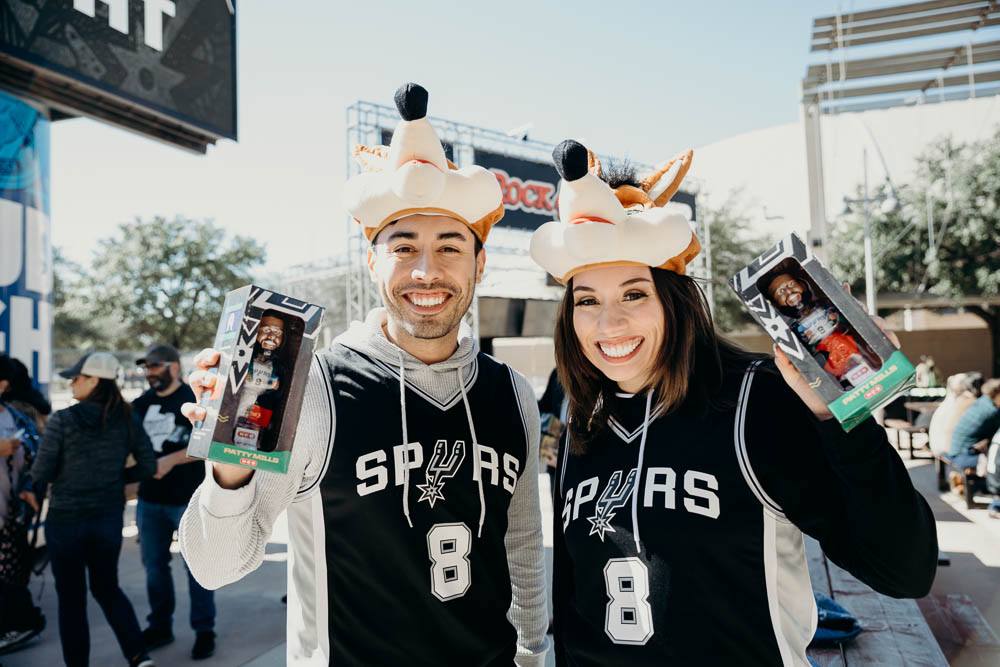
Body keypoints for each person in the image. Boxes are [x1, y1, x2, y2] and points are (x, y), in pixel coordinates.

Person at [179, 83, 549, 666]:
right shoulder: (312, 388)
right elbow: (217, 567)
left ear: (480, 262)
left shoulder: (511, 391)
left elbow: (522, 543)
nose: (427, 272)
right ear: (373, 260)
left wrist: (530, 653)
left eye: (450, 248)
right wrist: (228, 470)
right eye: (404, 248)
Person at [529, 140, 938, 666]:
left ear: (673, 302)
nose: (609, 324)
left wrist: (841, 417)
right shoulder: (581, 413)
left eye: (634, 293)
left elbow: (904, 570)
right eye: (587, 300)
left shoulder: (755, 398)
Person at [26, 351, 157, 667]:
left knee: (71, 600)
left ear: (95, 380)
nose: (71, 383)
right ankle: (138, 656)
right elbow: (149, 465)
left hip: (66, 522)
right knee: (107, 588)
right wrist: (116, 478)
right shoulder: (127, 419)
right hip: (107, 518)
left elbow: (41, 472)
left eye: (76, 378)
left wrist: (32, 492)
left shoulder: (63, 420)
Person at [131, 344, 215, 659]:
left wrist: (170, 461)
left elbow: (207, 443)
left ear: (174, 367)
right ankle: (160, 626)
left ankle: (204, 630)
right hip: (149, 501)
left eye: (155, 365)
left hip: (188, 500)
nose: (150, 372)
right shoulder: (141, 403)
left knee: (197, 568)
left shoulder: (191, 400)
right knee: (154, 568)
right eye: (147, 367)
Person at [0, 354, 45, 652]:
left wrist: (29, 487)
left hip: (9, 521)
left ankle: (21, 624)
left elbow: (35, 459)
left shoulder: (15, 418)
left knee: (10, 583)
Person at [947, 378, 1000, 472]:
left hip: (955, 450)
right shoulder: (992, 412)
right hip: (964, 456)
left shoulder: (983, 401)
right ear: (997, 393)